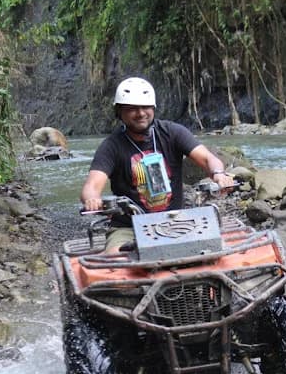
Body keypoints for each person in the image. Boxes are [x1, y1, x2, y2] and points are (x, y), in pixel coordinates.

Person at [81, 77, 235, 252]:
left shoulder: (172, 132)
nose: (140, 113)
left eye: (145, 107)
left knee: (215, 250)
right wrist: (92, 199)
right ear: (119, 112)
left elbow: (208, 158)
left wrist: (218, 174)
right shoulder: (111, 146)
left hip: (175, 219)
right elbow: (92, 185)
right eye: (132, 109)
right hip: (128, 227)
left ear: (153, 108)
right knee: (115, 259)